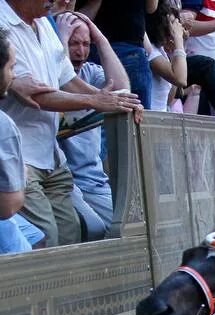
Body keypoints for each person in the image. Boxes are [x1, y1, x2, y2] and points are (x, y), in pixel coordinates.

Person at [1, 0, 142, 247]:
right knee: (44, 240)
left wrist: (116, 101)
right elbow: (34, 94)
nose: (62, 1)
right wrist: (97, 100)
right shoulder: (3, 21)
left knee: (71, 236)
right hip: (20, 159)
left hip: (50, 157)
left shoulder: (44, 23)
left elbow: (67, 80)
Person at [57, 11, 133, 239]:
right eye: (73, 43)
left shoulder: (91, 71)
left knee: (127, 229)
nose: (80, 51)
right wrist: (59, 40)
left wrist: (101, 39)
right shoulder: (48, 70)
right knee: (94, 229)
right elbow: (58, 81)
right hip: (64, 179)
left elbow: (122, 90)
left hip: (93, 179)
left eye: (86, 44)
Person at [0, 27, 44, 254]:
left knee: (37, 236)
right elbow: (7, 206)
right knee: (28, 255)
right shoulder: (4, 126)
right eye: (11, 67)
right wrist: (21, 177)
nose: (14, 76)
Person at [75, 0, 156, 108]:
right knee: (136, 112)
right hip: (127, 46)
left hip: (89, 43)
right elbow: (151, 7)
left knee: (89, 111)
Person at [146, 0, 189, 112]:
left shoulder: (161, 52)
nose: (176, 29)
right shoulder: (150, 50)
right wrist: (178, 39)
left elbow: (168, 100)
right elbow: (181, 79)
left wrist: (175, 49)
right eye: (172, 24)